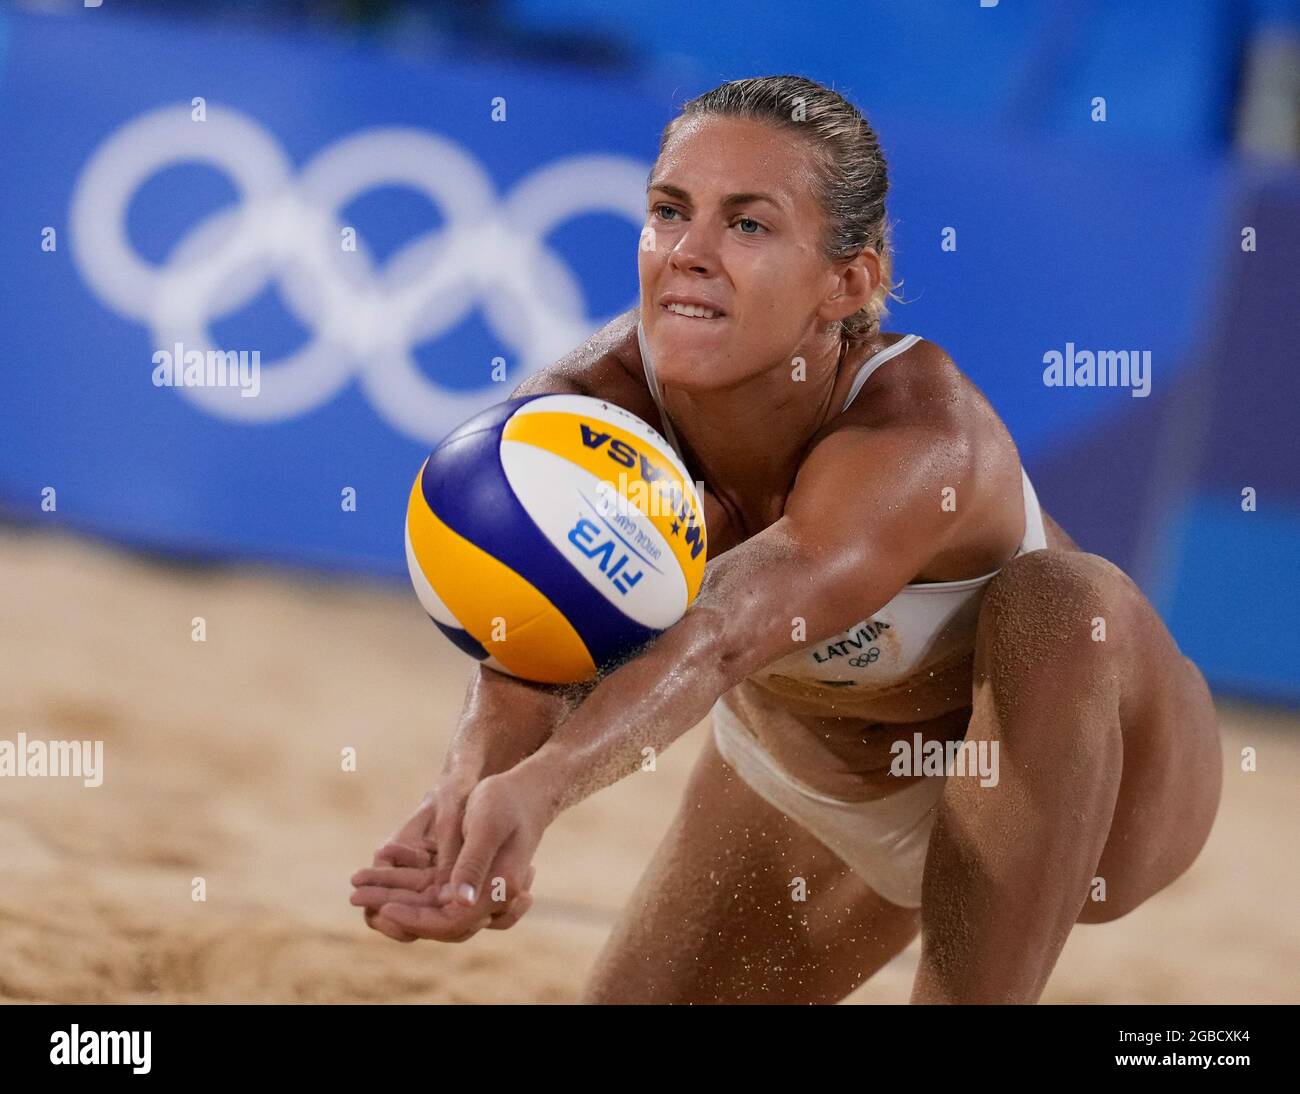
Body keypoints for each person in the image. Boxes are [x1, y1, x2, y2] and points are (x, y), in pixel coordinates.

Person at [350, 76, 1223, 1003]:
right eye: (668, 211)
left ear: (849, 282)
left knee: (1065, 602)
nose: (688, 252)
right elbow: (530, 635)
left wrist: (547, 787)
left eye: (747, 224)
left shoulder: (916, 433)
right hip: (817, 793)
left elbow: (724, 632)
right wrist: (464, 805)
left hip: (1089, 795)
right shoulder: (584, 410)